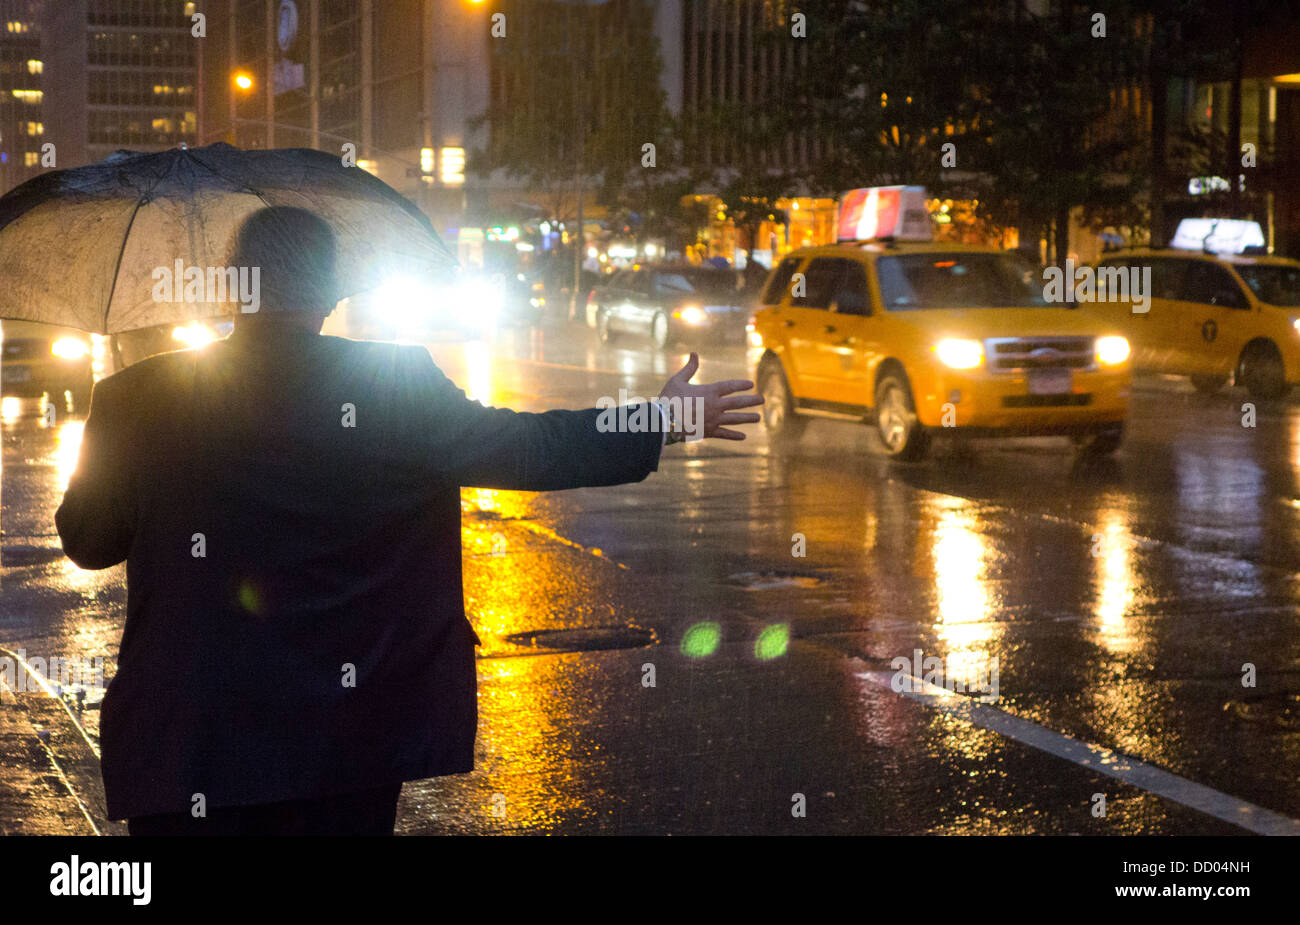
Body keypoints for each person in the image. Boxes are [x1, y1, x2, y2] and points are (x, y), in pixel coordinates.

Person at [55, 206, 762, 835]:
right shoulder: (390, 385)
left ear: (232, 285)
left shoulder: (138, 395)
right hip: (344, 742)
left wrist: (124, 421)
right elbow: (527, 449)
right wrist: (661, 417)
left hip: (192, 742)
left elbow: (88, 540)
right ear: (331, 290)